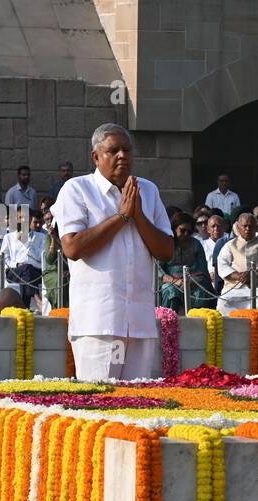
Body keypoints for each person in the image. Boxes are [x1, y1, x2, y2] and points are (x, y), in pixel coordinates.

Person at [53, 123, 174, 381]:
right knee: (102, 403)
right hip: (99, 324)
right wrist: (121, 216)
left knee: (138, 406)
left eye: (127, 150)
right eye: (113, 150)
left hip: (139, 322)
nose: (122, 156)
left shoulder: (147, 190)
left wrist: (137, 214)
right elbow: (72, 248)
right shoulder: (77, 189)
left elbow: (166, 252)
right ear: (96, 157)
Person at [215, 211, 258, 315]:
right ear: (238, 227)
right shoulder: (229, 245)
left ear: (256, 227)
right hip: (235, 287)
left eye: (251, 226)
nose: (248, 229)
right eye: (245, 226)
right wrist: (240, 276)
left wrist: (252, 274)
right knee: (223, 303)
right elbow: (222, 265)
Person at [157, 211, 210, 312]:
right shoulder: (166, 243)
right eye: (182, 230)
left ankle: (196, 324)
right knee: (171, 291)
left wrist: (192, 280)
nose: (186, 234)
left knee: (201, 292)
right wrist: (175, 281)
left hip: (193, 281)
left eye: (189, 232)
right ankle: (168, 321)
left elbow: (202, 269)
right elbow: (158, 270)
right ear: (175, 228)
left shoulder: (196, 244)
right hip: (169, 282)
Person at [2, 207, 46, 309]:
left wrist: (28, 243)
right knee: (26, 268)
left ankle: (23, 307)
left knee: (27, 269)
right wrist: (16, 264)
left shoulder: (41, 237)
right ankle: (36, 298)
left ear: (31, 218)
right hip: (14, 271)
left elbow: (42, 258)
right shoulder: (8, 237)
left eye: (25, 217)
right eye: (20, 217)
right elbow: (3, 259)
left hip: (36, 272)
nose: (23, 220)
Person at [199, 214, 231, 307]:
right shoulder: (202, 245)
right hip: (207, 282)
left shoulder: (230, 244)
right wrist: (207, 275)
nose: (216, 228)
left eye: (219, 225)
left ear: (224, 227)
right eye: (213, 226)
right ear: (208, 229)